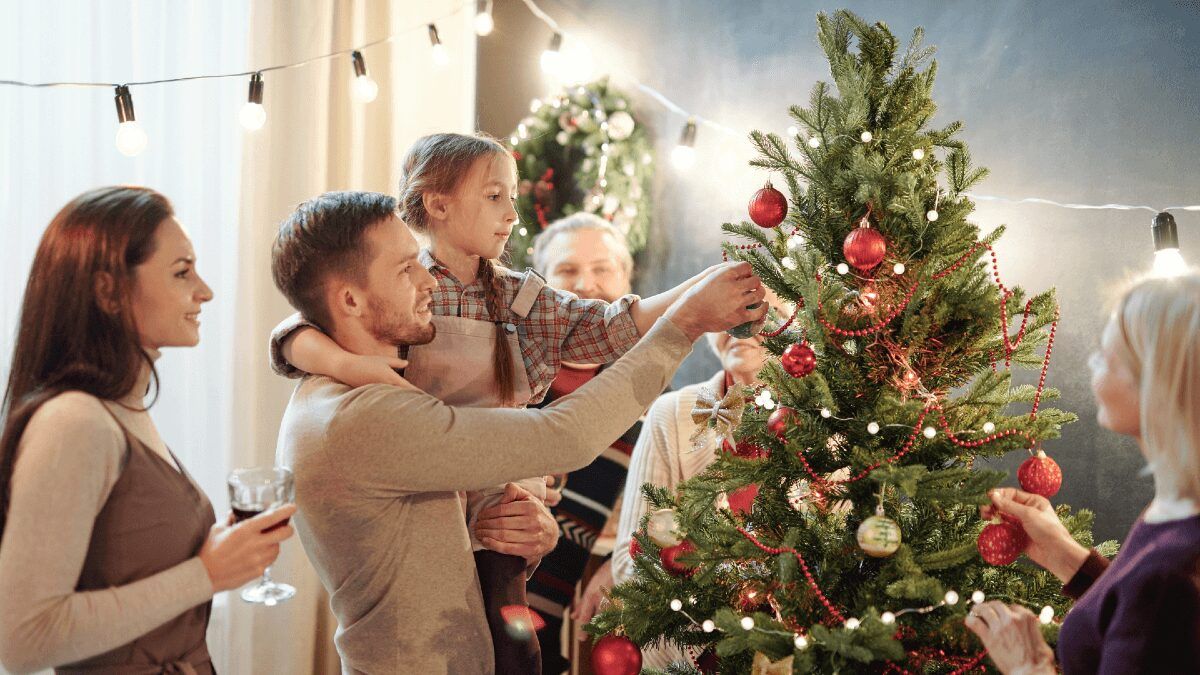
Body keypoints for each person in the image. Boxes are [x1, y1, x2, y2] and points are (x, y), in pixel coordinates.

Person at [269, 189, 765, 674]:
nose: (432, 282)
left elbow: (434, 543)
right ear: (351, 299)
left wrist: (533, 536)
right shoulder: (364, 416)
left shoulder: (345, 384)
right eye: (406, 268)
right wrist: (686, 323)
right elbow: (562, 437)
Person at [0, 186, 295, 674]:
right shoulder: (75, 422)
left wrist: (214, 553)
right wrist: (205, 574)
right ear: (108, 292)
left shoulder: (121, 410)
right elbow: (22, 638)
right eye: (182, 272)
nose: (204, 291)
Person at [965, 273, 1200, 674]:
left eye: (1106, 354)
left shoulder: (1174, 572)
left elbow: (1154, 609)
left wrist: (1029, 668)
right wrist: (1065, 556)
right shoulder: (1177, 507)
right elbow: (1139, 625)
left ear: (1158, 380)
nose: (1091, 362)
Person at [572, 292, 789, 670]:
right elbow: (628, 557)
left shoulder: (826, 421)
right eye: (734, 311)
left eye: (766, 312)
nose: (745, 325)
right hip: (688, 644)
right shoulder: (672, 413)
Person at [523, 213, 652, 674]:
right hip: (509, 610)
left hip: (609, 606)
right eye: (567, 270)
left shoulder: (648, 383)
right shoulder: (512, 375)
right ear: (539, 281)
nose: (586, 285)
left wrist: (625, 559)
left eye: (602, 269)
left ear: (626, 282)